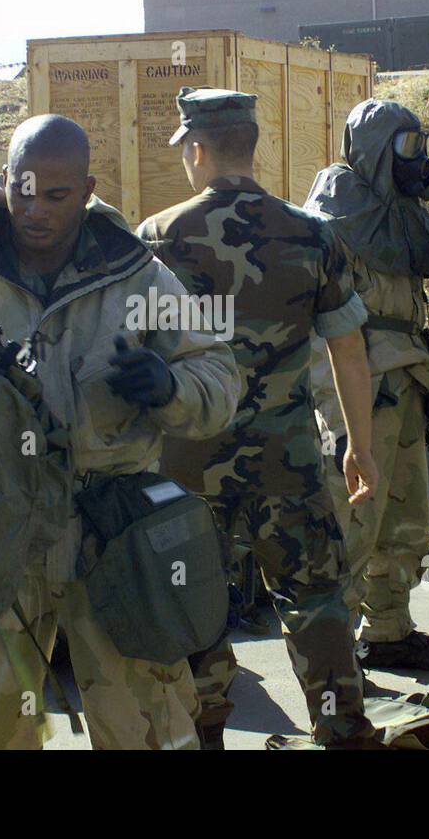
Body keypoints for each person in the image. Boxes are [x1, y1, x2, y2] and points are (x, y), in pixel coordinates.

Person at [0, 114, 240, 749]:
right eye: (23, 190)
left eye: (56, 195)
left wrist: (171, 386)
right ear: (5, 179)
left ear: (88, 189)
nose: (34, 210)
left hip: (114, 529)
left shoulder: (139, 279)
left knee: (143, 719)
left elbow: (219, 378)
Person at [138, 87, 379, 749]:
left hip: (187, 464)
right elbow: (349, 349)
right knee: (315, 596)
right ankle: (340, 726)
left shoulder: (158, 237)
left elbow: (133, 353)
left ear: (196, 151)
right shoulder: (313, 233)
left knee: (194, 596)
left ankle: (203, 729)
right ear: (252, 148)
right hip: (289, 458)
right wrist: (358, 446)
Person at [305, 99, 429, 672]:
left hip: (404, 375)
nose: (417, 158)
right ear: (374, 151)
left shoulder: (397, 213)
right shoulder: (336, 213)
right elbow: (327, 325)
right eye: (405, 146)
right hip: (359, 385)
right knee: (354, 520)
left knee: (402, 518)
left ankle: (387, 630)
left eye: (420, 144)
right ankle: (332, 660)